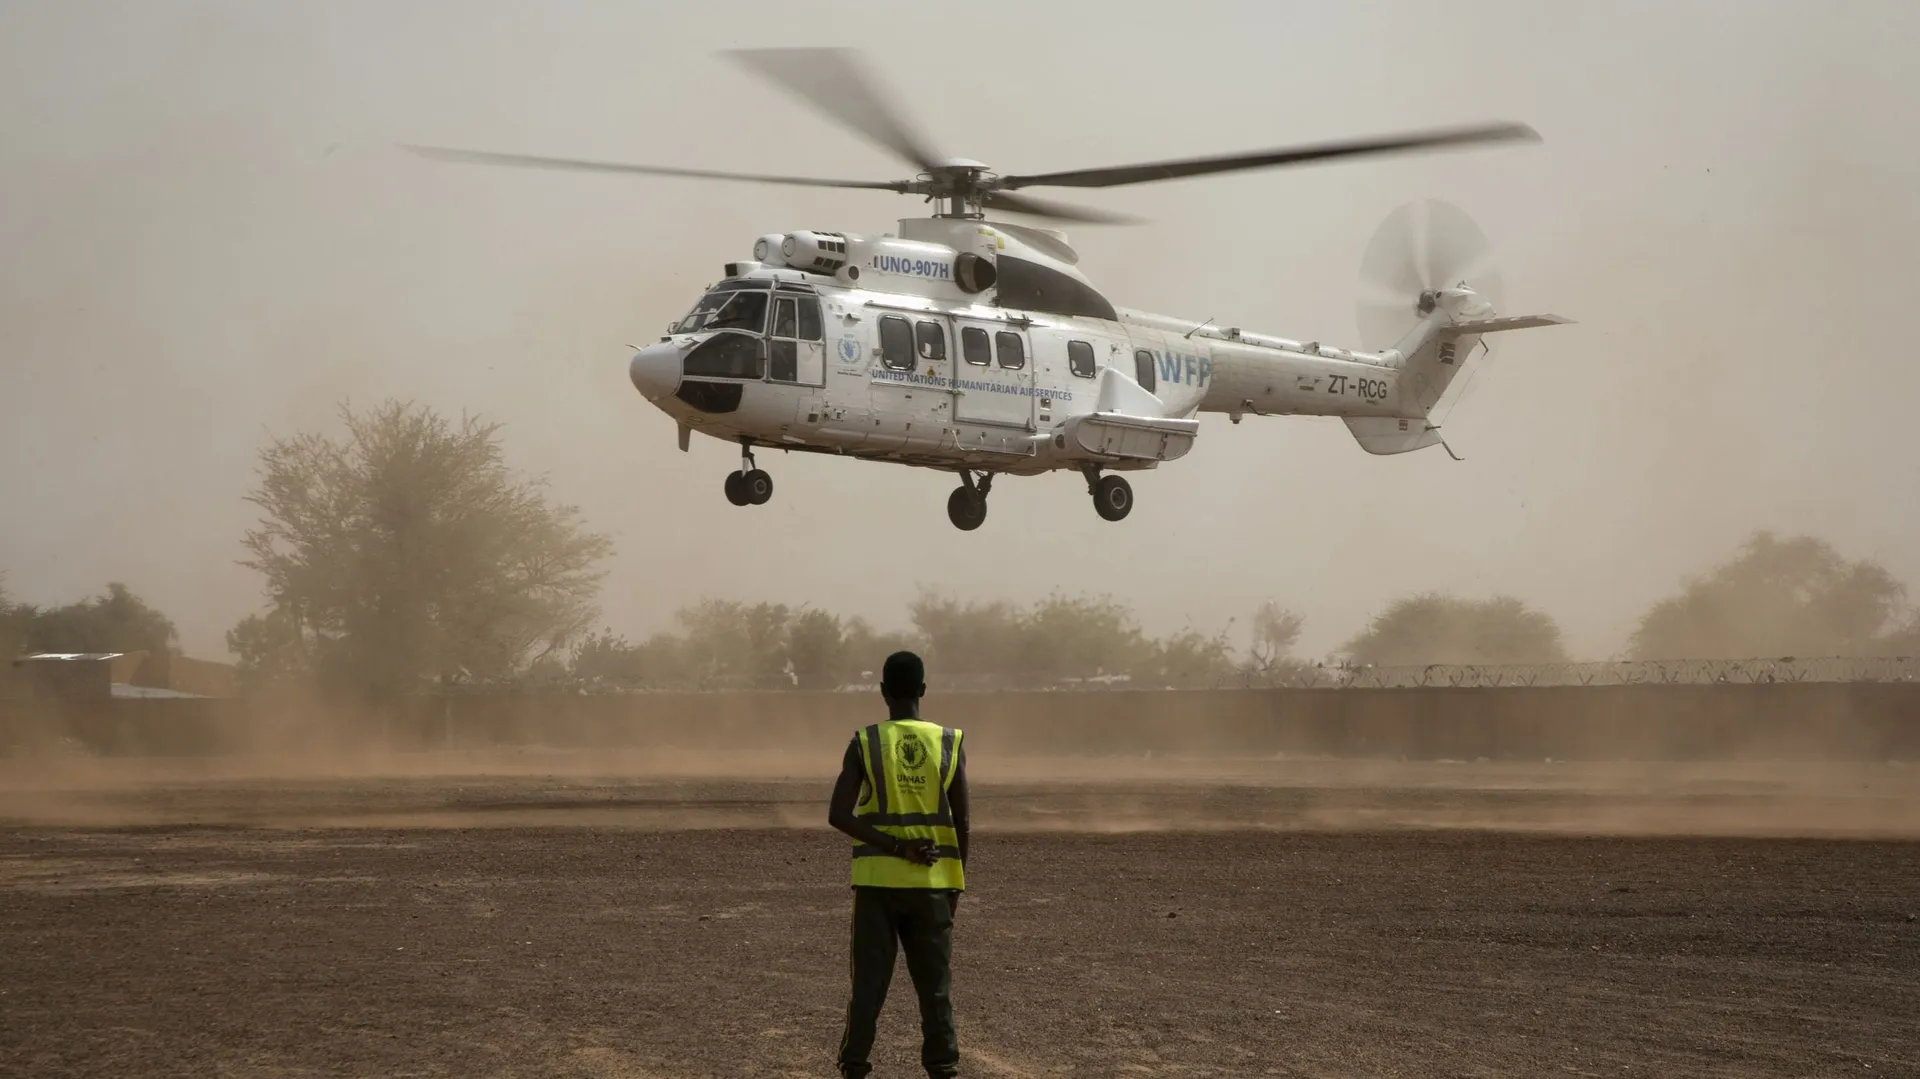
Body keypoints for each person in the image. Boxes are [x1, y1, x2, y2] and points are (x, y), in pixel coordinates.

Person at [827, 650, 970, 1079]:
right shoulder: (949, 742)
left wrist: (893, 846)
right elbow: (961, 822)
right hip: (932, 885)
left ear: (884, 692)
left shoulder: (866, 742)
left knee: (868, 987)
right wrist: (955, 884)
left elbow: (839, 814)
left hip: (876, 887)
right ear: (923, 691)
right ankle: (943, 1068)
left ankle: (854, 1067)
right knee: (935, 989)